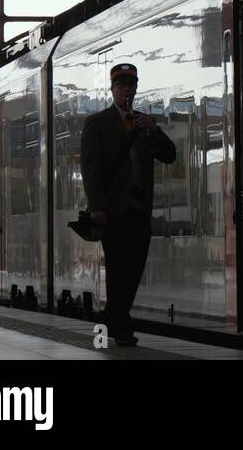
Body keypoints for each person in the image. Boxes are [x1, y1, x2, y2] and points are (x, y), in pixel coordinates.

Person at [81, 63, 176, 346]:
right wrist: (97, 205)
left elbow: (170, 156)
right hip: (112, 211)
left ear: (135, 88)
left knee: (134, 269)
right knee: (118, 268)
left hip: (139, 210)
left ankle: (114, 316)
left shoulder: (145, 123)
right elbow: (91, 167)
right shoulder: (98, 122)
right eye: (121, 85)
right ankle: (121, 327)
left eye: (130, 85)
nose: (126, 90)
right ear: (112, 89)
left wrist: (155, 131)